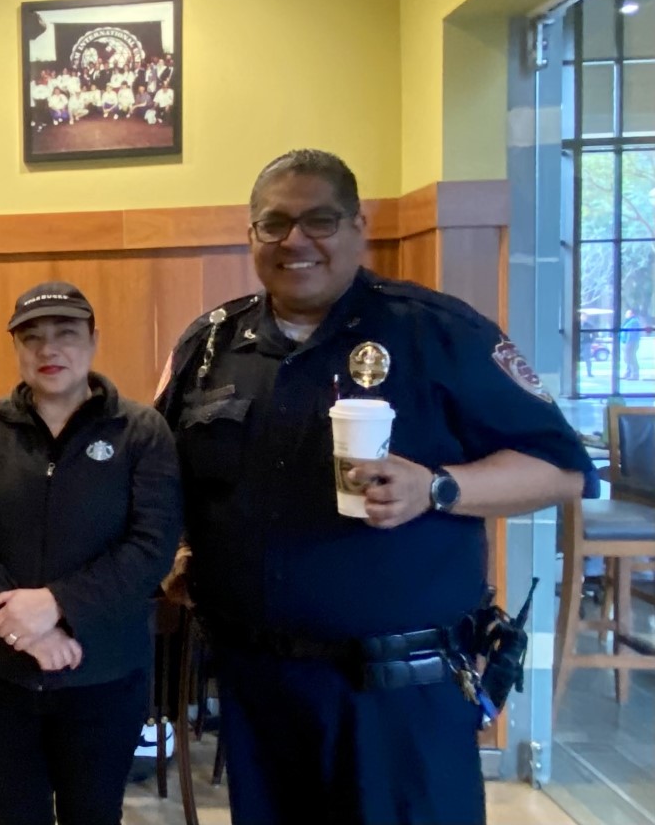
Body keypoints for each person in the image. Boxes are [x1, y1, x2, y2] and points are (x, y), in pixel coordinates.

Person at [157, 149, 597, 825]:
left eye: (319, 221)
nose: (295, 241)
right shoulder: (211, 346)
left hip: (401, 697)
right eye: (273, 224)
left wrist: (439, 487)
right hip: (259, 692)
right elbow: (164, 468)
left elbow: (561, 468)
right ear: (250, 236)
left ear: (359, 226)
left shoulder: (437, 332)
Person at [0, 282, 181, 825]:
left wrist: (58, 605)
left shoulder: (141, 431)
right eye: (32, 338)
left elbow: (151, 547)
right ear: (16, 348)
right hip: (1, 672)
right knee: (12, 813)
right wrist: (28, 630)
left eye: (65, 334)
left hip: (105, 672)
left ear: (93, 340)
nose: (48, 351)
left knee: (92, 813)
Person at [621, 308, 643, 380]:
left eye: (628, 313)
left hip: (631, 343)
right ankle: (628, 372)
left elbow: (631, 333)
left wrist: (628, 342)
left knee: (630, 358)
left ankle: (634, 374)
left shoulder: (633, 322)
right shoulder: (630, 321)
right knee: (628, 358)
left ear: (632, 314)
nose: (626, 315)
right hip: (628, 342)